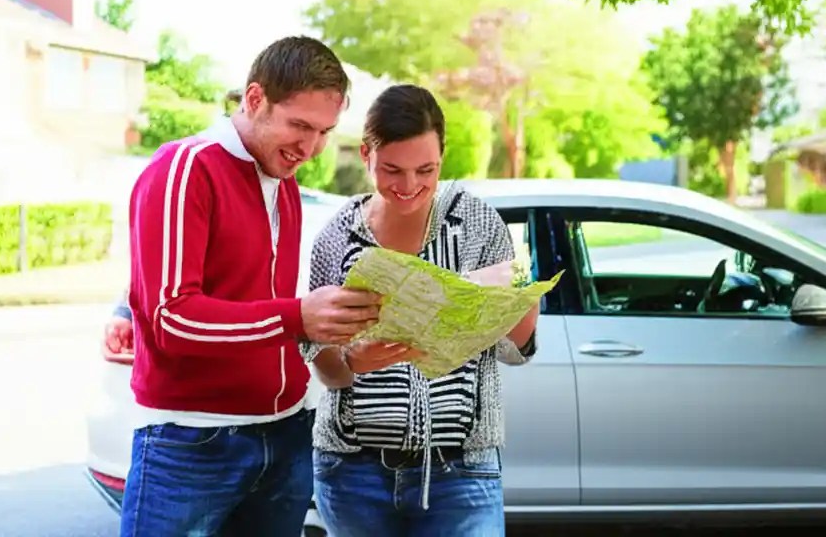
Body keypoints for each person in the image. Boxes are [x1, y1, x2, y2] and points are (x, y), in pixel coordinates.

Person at [116, 35, 384, 537]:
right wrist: (298, 316)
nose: (311, 148)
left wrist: (334, 335)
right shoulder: (185, 169)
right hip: (194, 444)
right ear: (254, 99)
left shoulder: (282, 181)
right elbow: (171, 317)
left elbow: (241, 294)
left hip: (285, 436)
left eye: (324, 131)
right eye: (300, 125)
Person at [302, 84, 539, 537]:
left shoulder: (479, 225)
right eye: (392, 169)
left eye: (425, 170)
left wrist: (522, 299)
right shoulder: (337, 238)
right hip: (353, 476)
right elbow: (321, 362)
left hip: (461, 476)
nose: (409, 186)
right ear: (367, 154)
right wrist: (352, 362)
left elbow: (517, 350)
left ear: (442, 156)